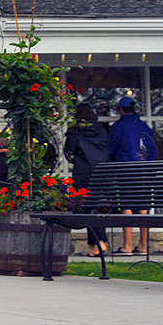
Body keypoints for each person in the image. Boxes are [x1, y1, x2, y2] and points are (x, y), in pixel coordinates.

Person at [108, 95, 157, 255]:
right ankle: (143, 246)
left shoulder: (118, 127)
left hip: (126, 171)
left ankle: (127, 246)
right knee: (143, 208)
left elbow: (111, 150)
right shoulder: (145, 127)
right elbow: (153, 150)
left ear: (121, 110)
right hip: (144, 172)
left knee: (127, 206)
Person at [64, 103, 110, 256]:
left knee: (86, 207)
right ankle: (97, 243)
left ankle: (97, 243)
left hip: (83, 172)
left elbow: (69, 151)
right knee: (97, 206)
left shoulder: (77, 131)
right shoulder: (102, 130)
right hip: (102, 172)